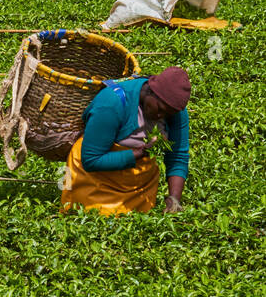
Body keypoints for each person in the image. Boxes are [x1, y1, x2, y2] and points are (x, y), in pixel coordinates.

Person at [60, 67, 190, 216]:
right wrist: (139, 153)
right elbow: (91, 160)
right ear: (149, 91)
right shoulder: (111, 102)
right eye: (159, 109)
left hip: (137, 185)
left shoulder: (174, 111)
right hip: (93, 180)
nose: (161, 116)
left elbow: (178, 155)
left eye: (168, 113)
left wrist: (174, 198)